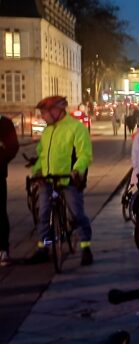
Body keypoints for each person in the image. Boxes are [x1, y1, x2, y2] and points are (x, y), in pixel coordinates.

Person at [28, 97, 94, 266]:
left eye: (44, 113)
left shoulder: (76, 128)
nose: (42, 116)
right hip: (48, 179)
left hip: (68, 179)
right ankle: (45, 246)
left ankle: (85, 246)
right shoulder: (48, 131)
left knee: (77, 214)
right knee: (43, 214)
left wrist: (77, 170)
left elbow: (84, 154)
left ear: (56, 111)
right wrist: (37, 172)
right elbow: (42, 155)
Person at [0, 113, 18, 266]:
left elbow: (13, 147)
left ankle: (3, 250)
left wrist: (2, 159)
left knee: (0, 213)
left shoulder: (5, 123)